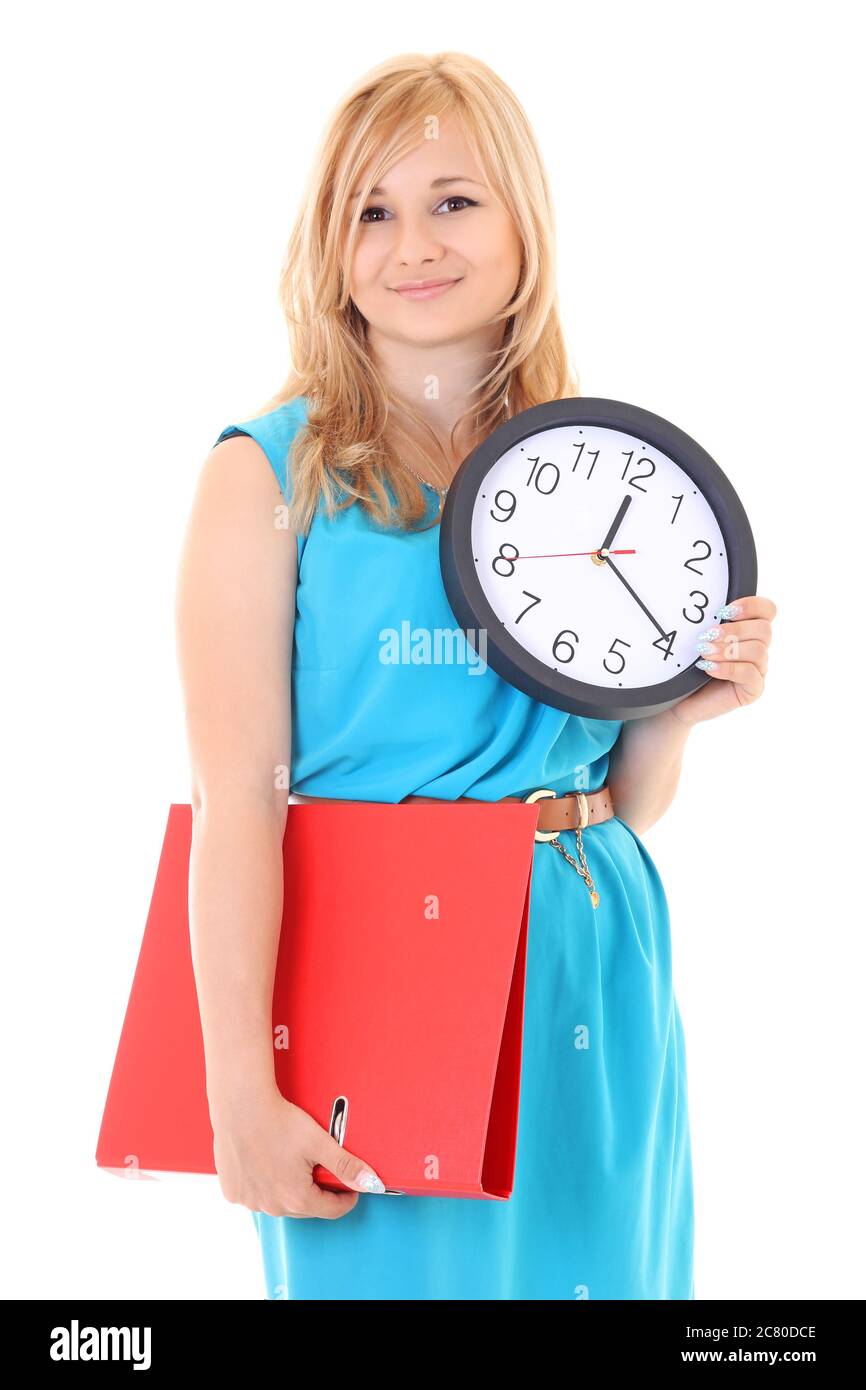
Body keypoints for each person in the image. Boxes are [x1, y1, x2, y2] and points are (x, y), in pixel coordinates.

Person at [175, 50, 776, 1300]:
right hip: (378, 970)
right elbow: (238, 801)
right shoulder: (269, 476)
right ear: (328, 243)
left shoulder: (589, 470)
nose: (412, 245)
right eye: (370, 211)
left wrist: (675, 711)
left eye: (452, 200)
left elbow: (610, 801)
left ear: (521, 225)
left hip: (590, 950)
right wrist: (235, 1086)